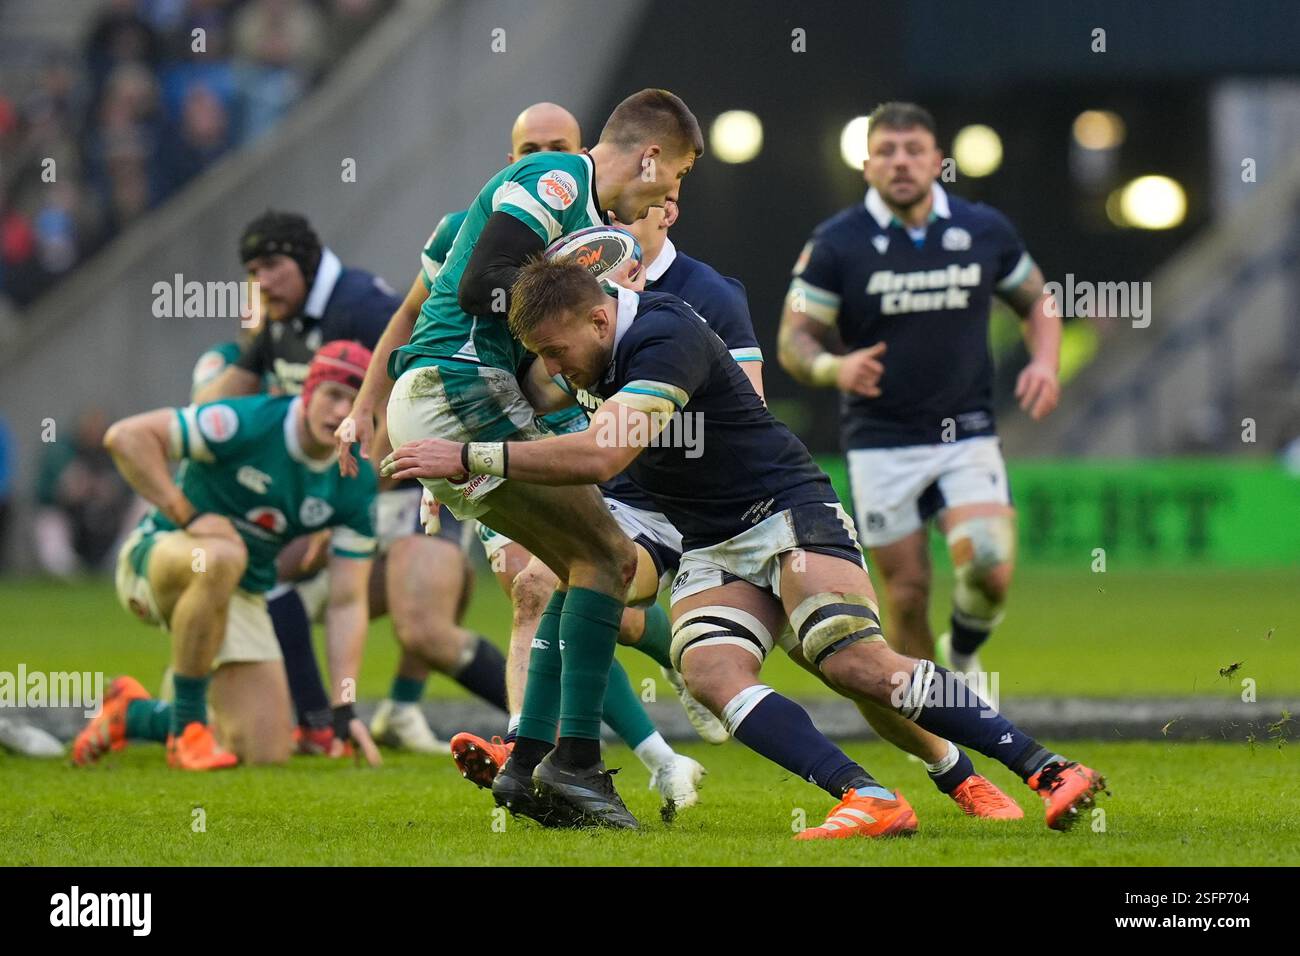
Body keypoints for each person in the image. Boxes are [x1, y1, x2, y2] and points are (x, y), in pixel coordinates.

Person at [382, 259, 1108, 837]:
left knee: (848, 657)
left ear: (601, 318)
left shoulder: (665, 334)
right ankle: (867, 795)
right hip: (710, 541)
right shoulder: (592, 343)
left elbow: (604, 452)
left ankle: (1045, 767)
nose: (555, 368)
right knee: (709, 670)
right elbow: (547, 418)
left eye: (557, 352)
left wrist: (472, 457)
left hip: (787, 508)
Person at [342, 89, 703, 828]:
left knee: (580, 569)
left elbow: (533, 372)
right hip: (458, 384)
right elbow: (480, 287)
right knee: (607, 555)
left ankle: (533, 764)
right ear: (652, 155)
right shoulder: (557, 183)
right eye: (679, 173)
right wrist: (579, 296)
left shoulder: (587, 216)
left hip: (463, 391)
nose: (673, 191)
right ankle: (572, 764)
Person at [198, 210, 502, 754]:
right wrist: (196, 425)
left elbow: (412, 391)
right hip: (348, 488)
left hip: (417, 476)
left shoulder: (360, 306)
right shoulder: (279, 320)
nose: (260, 282)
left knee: (425, 628)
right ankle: (323, 720)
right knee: (260, 574)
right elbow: (215, 406)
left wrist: (347, 498)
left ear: (306, 261)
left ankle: (546, 725)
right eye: (251, 270)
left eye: (271, 265)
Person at [778, 102, 1061, 675]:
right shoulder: (836, 245)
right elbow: (793, 340)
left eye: (913, 151)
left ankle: (965, 650)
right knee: (905, 595)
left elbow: (1038, 301)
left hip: (969, 430)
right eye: (887, 152)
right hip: (882, 440)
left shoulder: (982, 228)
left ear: (937, 161)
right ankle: (946, 725)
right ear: (867, 166)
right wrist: (837, 368)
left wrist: (1046, 363)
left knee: (988, 566)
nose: (900, 163)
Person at [74, 342, 379, 770]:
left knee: (265, 751)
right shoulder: (248, 421)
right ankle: (187, 734)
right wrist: (188, 515)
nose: (339, 411)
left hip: (243, 592)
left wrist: (344, 706)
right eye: (331, 394)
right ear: (307, 392)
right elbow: (125, 437)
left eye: (353, 400)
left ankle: (133, 713)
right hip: (162, 559)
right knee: (221, 554)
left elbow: (348, 601)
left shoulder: (356, 480)